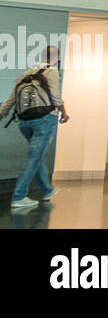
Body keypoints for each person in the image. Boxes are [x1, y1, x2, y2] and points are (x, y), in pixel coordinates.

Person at [2, 45, 69, 211]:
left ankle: (47, 190)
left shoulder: (26, 74)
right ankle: (19, 197)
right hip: (44, 120)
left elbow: (10, 99)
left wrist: (2, 113)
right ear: (56, 58)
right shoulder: (52, 71)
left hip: (24, 122)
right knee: (33, 157)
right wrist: (64, 112)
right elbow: (55, 96)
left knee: (36, 155)